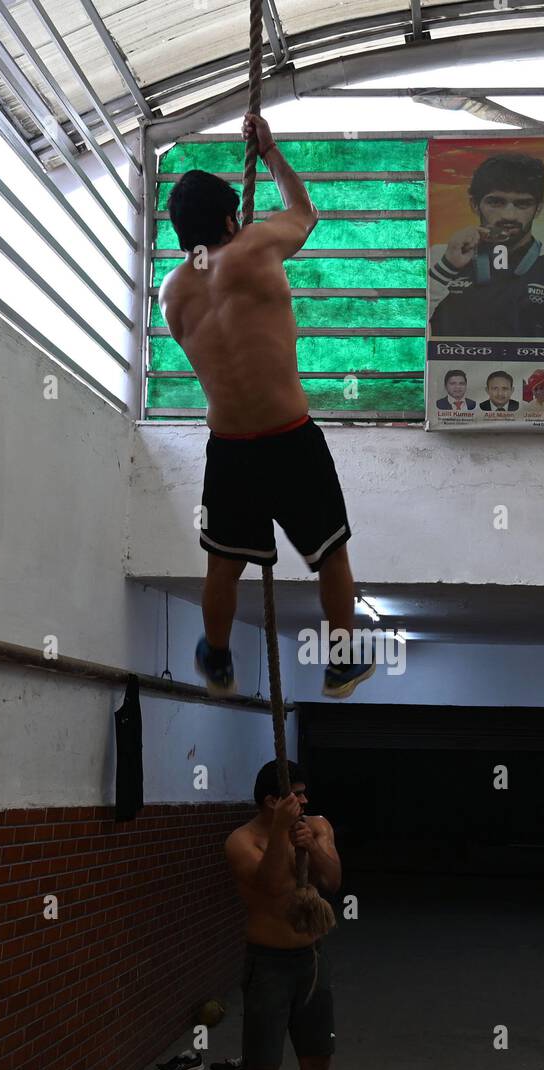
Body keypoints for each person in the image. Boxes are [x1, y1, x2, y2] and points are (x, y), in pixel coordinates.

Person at [159, 113, 373, 701]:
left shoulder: (171, 292)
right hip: (289, 436)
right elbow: (306, 213)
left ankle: (218, 658)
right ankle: (340, 660)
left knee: (223, 565)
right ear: (232, 218)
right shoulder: (254, 247)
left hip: (228, 449)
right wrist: (271, 152)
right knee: (329, 554)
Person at [224, 760, 342, 1070]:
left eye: (305, 794)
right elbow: (274, 888)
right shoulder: (240, 842)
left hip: (311, 962)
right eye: (296, 795)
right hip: (268, 965)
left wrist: (313, 845)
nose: (306, 802)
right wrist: (281, 837)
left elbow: (332, 880)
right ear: (273, 802)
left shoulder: (317, 827)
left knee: (316, 1063)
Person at [429, 153, 544, 337]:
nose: (509, 216)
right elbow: (408, 319)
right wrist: (447, 267)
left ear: (539, 208)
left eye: (523, 204)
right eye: (496, 202)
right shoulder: (440, 257)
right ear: (474, 204)